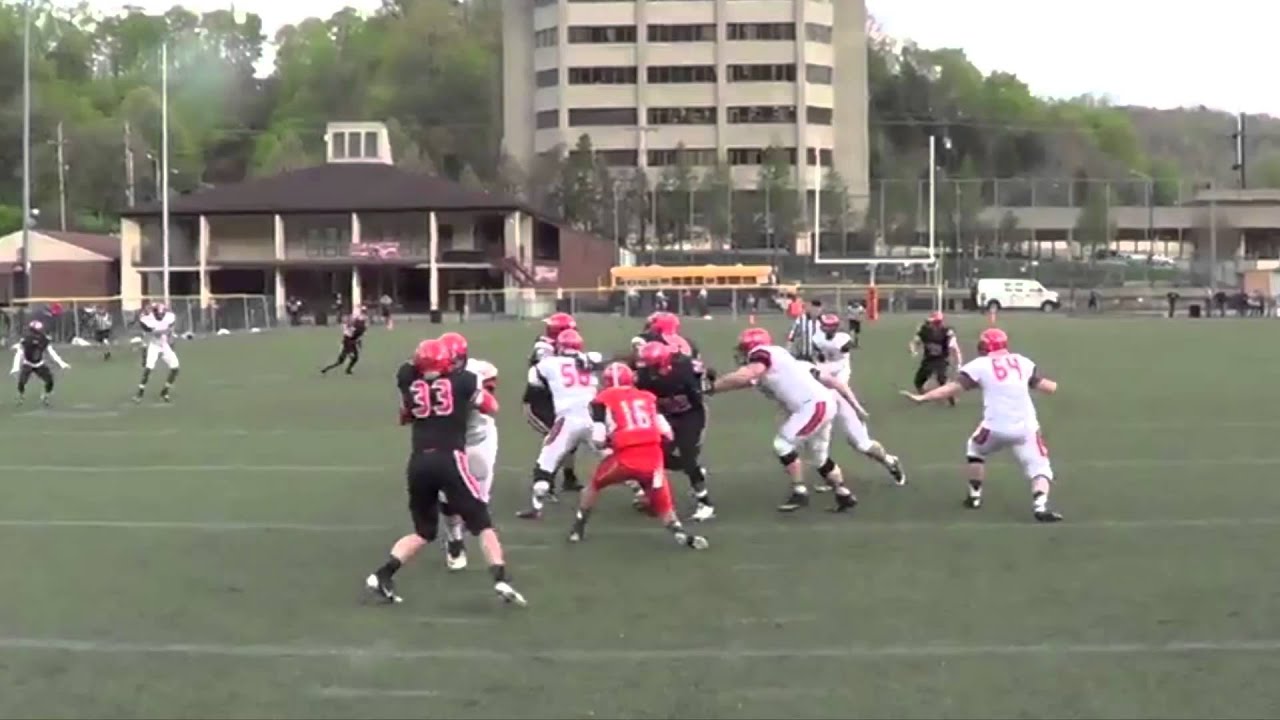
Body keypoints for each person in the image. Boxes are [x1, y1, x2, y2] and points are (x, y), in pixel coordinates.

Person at [365, 338, 526, 606]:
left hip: (418, 462)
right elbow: (491, 407)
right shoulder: (463, 381)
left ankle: (382, 574)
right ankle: (501, 578)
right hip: (450, 458)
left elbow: (404, 415)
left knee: (424, 532)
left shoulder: (409, 380)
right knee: (482, 523)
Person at [901, 327, 1062, 522]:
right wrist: (1054, 386)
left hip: (994, 427)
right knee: (1040, 467)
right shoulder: (1022, 361)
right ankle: (1040, 505)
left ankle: (974, 496)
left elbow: (953, 388)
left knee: (975, 450)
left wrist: (924, 397)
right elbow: (1047, 387)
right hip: (1026, 428)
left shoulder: (980, 365)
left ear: (985, 346)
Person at [708, 327, 859, 513]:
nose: (741, 353)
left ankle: (799, 492)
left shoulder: (761, 354)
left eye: (743, 348)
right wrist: (716, 387)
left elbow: (747, 375)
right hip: (820, 404)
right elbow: (745, 381)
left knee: (783, 444)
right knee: (820, 458)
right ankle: (844, 493)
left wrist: (711, 387)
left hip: (812, 406)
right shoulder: (780, 358)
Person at [568, 362, 709, 550]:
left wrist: (613, 441)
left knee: (594, 486)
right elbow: (668, 433)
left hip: (625, 458)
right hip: (653, 457)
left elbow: (598, 439)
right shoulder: (648, 397)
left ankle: (578, 528)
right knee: (664, 504)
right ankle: (679, 533)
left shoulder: (602, 399)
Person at [518, 328, 599, 519]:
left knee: (546, 460)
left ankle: (537, 506)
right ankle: (642, 489)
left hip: (567, 419)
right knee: (615, 456)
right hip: (593, 417)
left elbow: (534, 380)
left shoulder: (548, 364)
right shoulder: (590, 361)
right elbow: (599, 361)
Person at [437, 332, 499, 572]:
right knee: (447, 498)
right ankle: (454, 539)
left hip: (478, 438)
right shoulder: (430, 375)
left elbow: (490, 406)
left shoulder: (479, 372)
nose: (451, 366)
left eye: (456, 361)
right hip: (448, 439)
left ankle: (483, 546)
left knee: (479, 500)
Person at [635, 341, 715, 520]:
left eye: (652, 366)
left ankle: (705, 503)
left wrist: (706, 380)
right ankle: (687, 472)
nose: (648, 370)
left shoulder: (684, 370)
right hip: (665, 416)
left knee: (688, 455)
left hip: (690, 414)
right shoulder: (644, 376)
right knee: (655, 457)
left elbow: (707, 380)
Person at [522, 312, 584, 495]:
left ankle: (569, 477)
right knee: (556, 439)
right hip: (539, 404)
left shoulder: (567, 346)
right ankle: (545, 481)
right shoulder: (544, 348)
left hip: (559, 402)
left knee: (570, 440)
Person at [909, 311, 961, 407]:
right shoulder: (925, 331)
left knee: (942, 380)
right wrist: (913, 350)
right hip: (928, 359)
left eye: (937, 323)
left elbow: (954, 347)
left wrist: (959, 361)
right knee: (918, 381)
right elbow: (914, 342)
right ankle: (924, 396)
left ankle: (951, 398)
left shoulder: (946, 332)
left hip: (942, 359)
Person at [11, 320, 69, 406]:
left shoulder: (44, 339)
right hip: (28, 363)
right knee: (22, 382)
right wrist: (15, 367)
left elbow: (51, 352)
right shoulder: (26, 340)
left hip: (39, 363)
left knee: (50, 381)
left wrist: (62, 363)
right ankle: (21, 395)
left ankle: (45, 396)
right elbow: (19, 353)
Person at [134, 302, 180, 403]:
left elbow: (170, 330)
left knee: (175, 367)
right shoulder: (149, 320)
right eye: (158, 314)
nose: (160, 316)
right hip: (154, 345)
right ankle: (140, 393)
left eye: (162, 314)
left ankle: (165, 391)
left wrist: (171, 341)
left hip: (164, 345)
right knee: (148, 368)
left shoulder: (169, 317)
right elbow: (147, 328)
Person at [320, 309, 367, 375]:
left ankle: (348, 370)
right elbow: (348, 338)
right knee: (341, 361)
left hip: (351, 343)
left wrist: (358, 342)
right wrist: (350, 350)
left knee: (354, 358)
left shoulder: (357, 328)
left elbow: (357, 337)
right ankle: (326, 369)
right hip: (347, 344)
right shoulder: (349, 328)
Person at [812, 313, 854, 385]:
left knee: (840, 386)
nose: (824, 327)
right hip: (826, 368)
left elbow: (847, 347)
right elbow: (819, 356)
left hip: (841, 369)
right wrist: (820, 354)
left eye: (827, 325)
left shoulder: (843, 338)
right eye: (824, 325)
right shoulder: (818, 339)